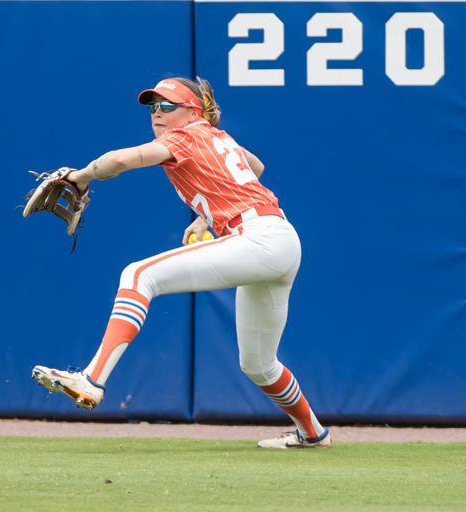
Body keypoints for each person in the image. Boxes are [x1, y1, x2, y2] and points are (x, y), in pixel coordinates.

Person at [32, 77, 331, 449]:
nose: (157, 113)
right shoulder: (217, 136)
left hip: (257, 238)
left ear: (192, 111)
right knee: (257, 363)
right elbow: (255, 166)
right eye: (152, 107)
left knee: (139, 275)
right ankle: (313, 432)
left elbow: (122, 160)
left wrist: (78, 178)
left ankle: (91, 379)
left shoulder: (185, 136)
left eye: (167, 105)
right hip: (279, 238)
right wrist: (206, 216)